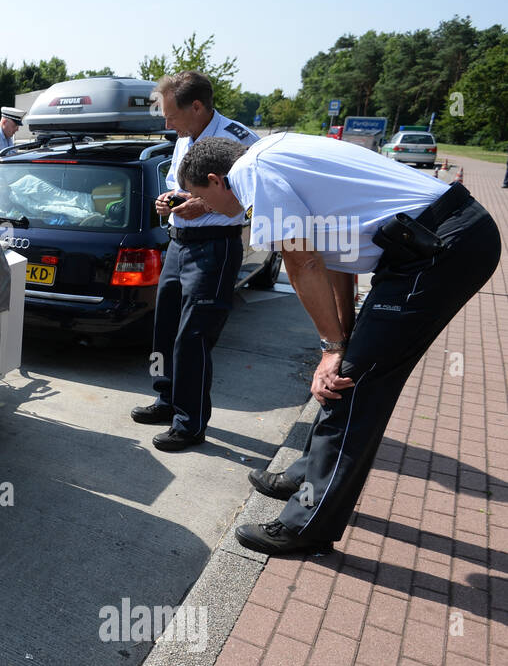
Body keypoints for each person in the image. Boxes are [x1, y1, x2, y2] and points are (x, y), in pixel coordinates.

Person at [178, 132, 501, 555]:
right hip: (429, 243)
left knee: (351, 385)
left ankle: (307, 526)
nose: (206, 210)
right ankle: (305, 474)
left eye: (200, 197)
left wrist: (333, 352)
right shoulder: (273, 156)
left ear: (218, 179)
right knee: (351, 368)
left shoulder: (254, 174)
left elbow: (301, 259)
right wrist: (342, 339)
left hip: (438, 249)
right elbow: (335, 262)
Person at [130, 71, 257, 451]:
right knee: (164, 328)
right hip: (178, 244)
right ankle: (165, 398)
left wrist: (202, 204)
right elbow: (178, 183)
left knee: (194, 336)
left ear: (197, 106)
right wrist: (169, 201)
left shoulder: (239, 140)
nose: (166, 123)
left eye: (171, 115)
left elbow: (252, 198)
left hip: (214, 247)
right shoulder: (184, 138)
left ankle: (190, 421)